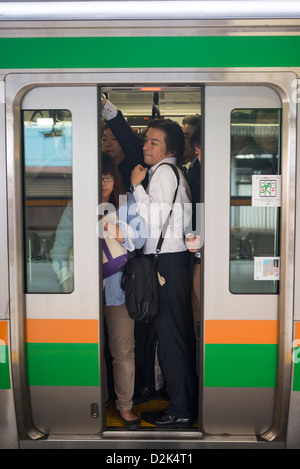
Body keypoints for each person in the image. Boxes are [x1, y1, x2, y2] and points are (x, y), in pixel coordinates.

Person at [51, 153, 146, 431]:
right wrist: (68, 284)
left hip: (119, 291)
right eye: (98, 177)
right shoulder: (77, 207)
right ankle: (99, 399)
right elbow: (59, 249)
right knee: (92, 350)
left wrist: (114, 227)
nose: (103, 183)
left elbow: (139, 240)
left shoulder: (126, 203)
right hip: (83, 295)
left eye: (107, 177)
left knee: (122, 351)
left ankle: (125, 406)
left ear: (114, 177)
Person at [130, 118, 198, 427]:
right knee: (176, 338)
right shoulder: (172, 173)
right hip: (175, 264)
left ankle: (180, 411)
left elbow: (154, 220)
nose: (146, 145)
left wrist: (135, 186)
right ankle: (184, 404)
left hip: (167, 266)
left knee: (171, 342)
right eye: (146, 140)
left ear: (169, 148)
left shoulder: (163, 175)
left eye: (153, 141)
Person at [101, 96, 147, 191]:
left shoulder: (134, 166)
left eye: (114, 139)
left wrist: (104, 104)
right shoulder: (101, 167)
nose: (107, 144)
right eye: (104, 139)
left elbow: (126, 137)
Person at [185, 121, 202, 329]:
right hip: (197, 247)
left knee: (198, 294)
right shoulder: (196, 167)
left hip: (200, 249)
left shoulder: (203, 172)